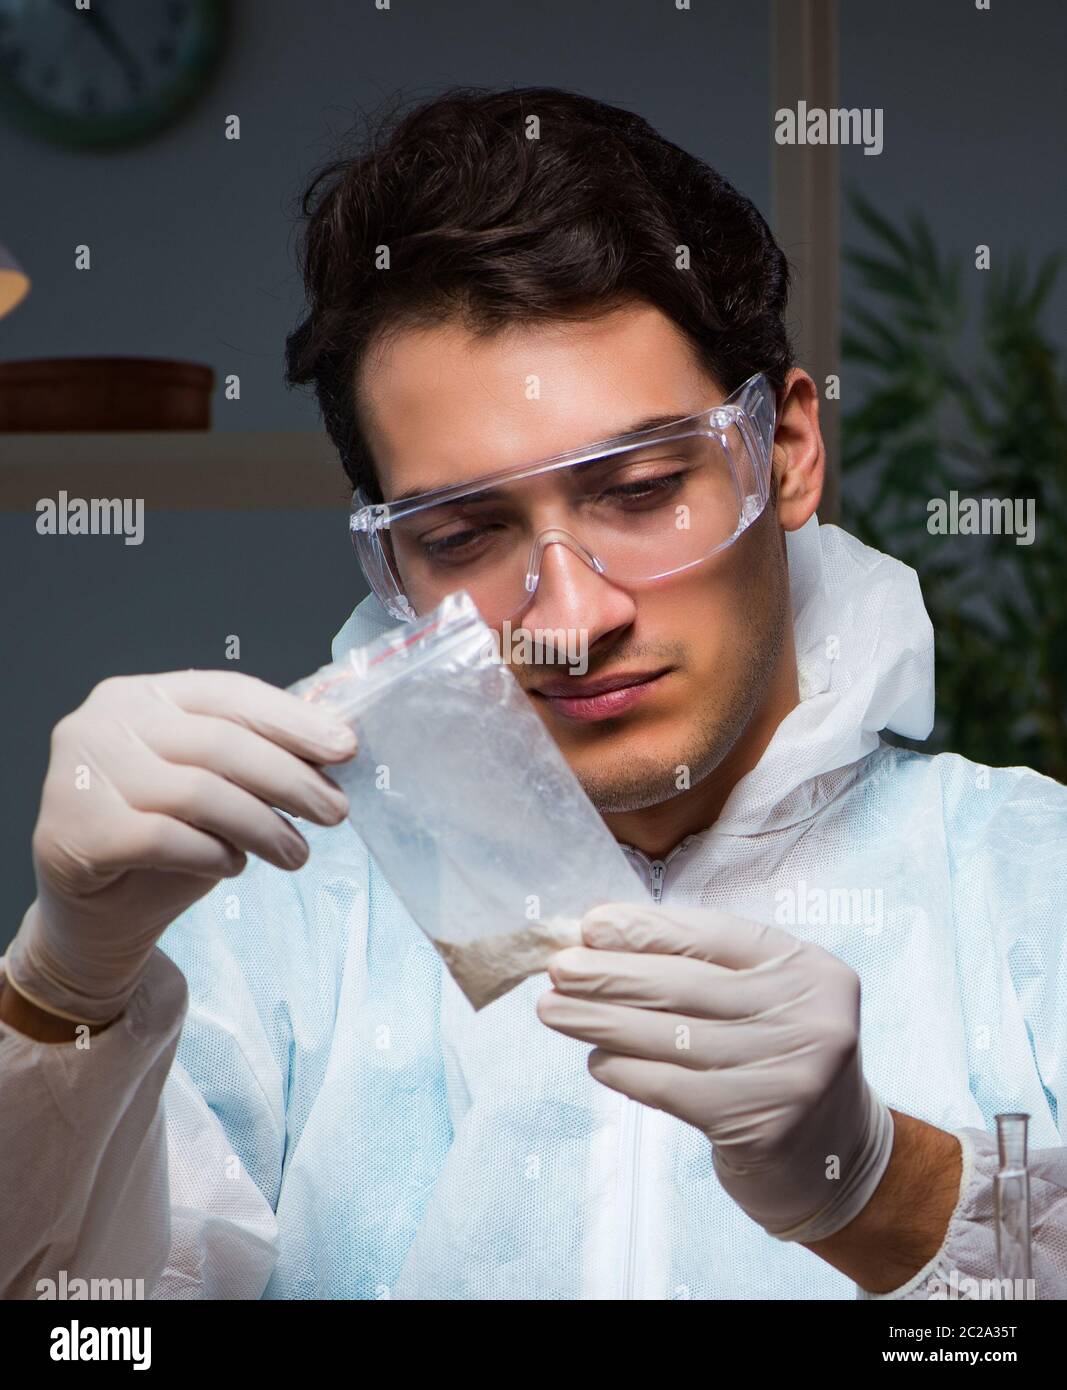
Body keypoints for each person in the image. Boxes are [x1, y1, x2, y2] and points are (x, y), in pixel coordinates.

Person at [2, 86, 1065, 1301]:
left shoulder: (1029, 889)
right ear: (387, 560)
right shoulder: (279, 925)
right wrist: (64, 997)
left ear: (785, 455)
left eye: (641, 487)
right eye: (462, 534)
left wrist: (885, 1191)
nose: (568, 622)